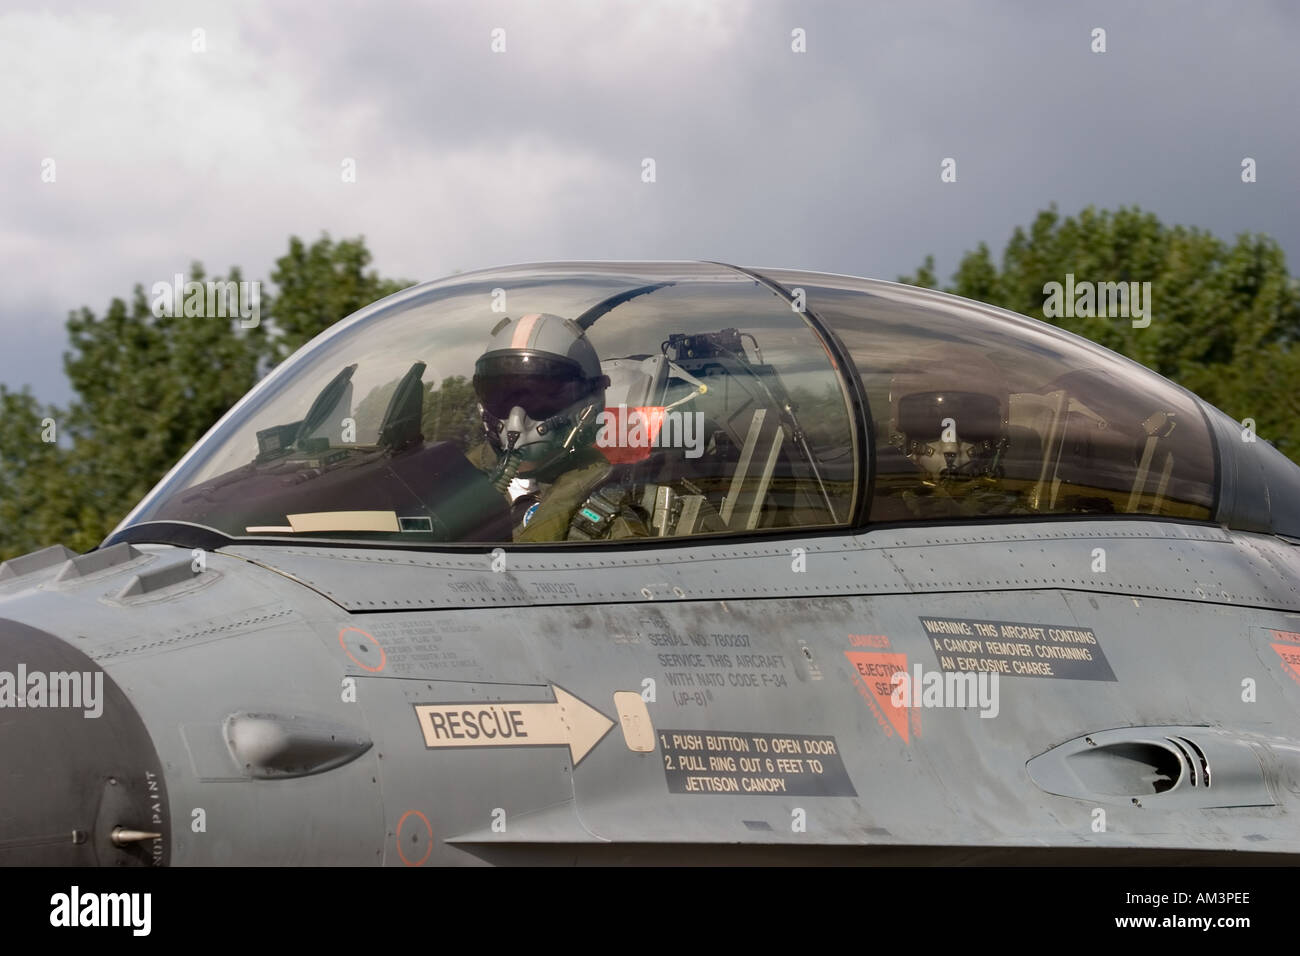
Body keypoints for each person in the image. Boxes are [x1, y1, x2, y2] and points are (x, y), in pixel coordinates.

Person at [469, 312, 651, 541]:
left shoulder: (602, 526)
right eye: (502, 396)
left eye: (540, 398)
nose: (517, 419)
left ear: (587, 406)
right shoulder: (446, 485)